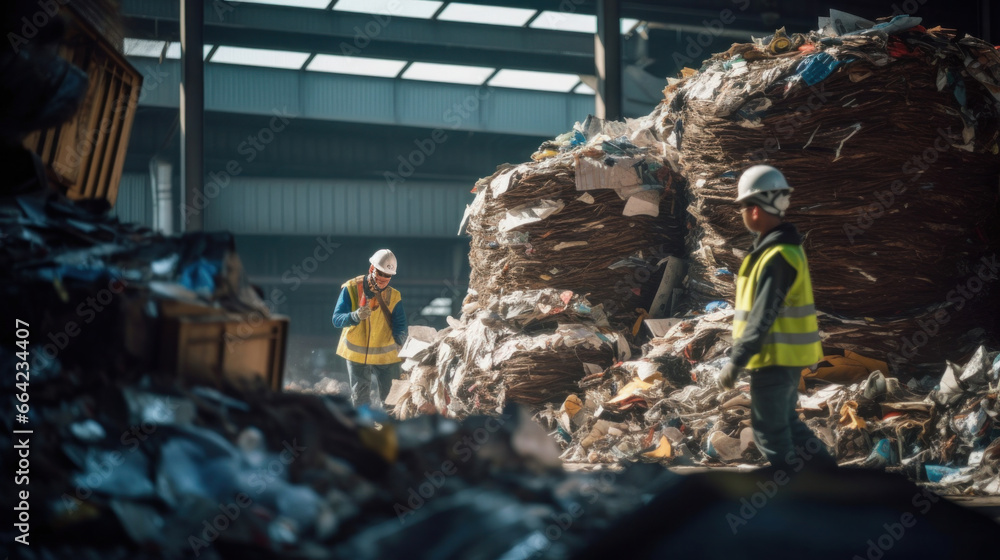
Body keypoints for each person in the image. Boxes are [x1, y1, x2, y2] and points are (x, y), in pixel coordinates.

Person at [716, 165, 835, 470]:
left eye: (744, 206)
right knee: (788, 426)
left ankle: (791, 497)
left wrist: (736, 360)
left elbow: (762, 314)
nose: (743, 213)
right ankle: (831, 484)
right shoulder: (778, 250)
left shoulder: (777, 255)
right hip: (782, 357)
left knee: (770, 431)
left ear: (755, 210)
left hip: (775, 357)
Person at [332, 249, 407, 409]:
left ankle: (391, 430)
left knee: (391, 402)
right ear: (371, 269)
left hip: (386, 355)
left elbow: (400, 325)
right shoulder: (351, 288)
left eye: (388, 277)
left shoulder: (394, 296)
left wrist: (401, 343)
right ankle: (363, 430)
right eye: (381, 276)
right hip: (357, 354)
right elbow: (336, 319)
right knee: (360, 400)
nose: (383, 281)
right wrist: (354, 316)